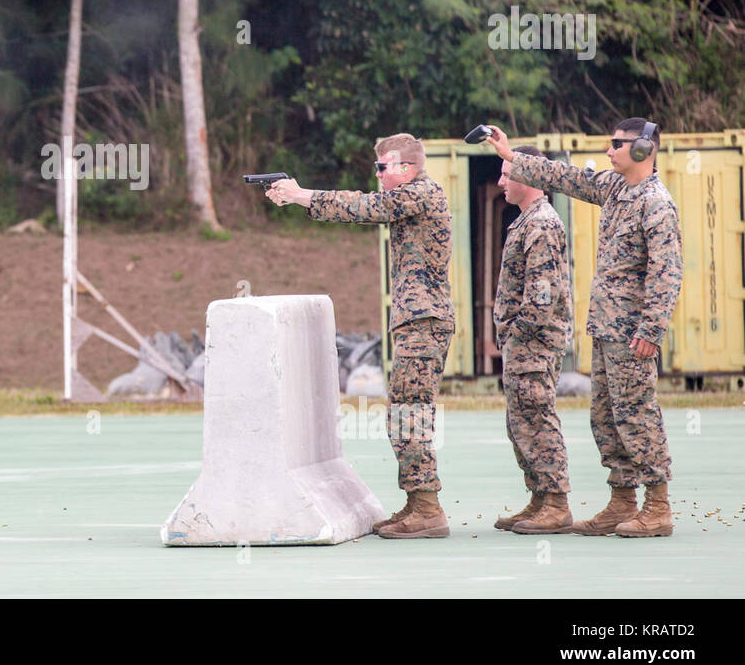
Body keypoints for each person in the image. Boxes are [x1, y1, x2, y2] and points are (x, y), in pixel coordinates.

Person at [484, 120, 682, 537]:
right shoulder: (614, 188)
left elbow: (666, 272)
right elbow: (567, 177)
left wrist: (652, 329)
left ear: (644, 149)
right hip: (608, 327)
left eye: (617, 144)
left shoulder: (656, 203)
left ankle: (658, 507)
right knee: (606, 417)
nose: (609, 151)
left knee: (637, 416)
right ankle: (623, 501)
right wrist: (509, 156)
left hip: (632, 333)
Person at [267, 134, 454, 539]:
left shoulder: (419, 193)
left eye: (383, 167)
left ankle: (427, 508)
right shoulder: (414, 195)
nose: (379, 175)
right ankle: (418, 501)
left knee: (411, 411)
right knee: (404, 410)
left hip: (423, 319)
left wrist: (302, 195)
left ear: (408, 168)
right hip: (416, 318)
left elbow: (366, 206)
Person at [492, 145, 574, 534]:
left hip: (534, 342)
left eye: (507, 174)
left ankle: (556, 503)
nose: (501, 182)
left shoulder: (541, 223)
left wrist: (517, 332)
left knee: (536, 418)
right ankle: (540, 497)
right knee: (520, 421)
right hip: (522, 343)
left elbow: (543, 293)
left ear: (528, 176)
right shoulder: (526, 220)